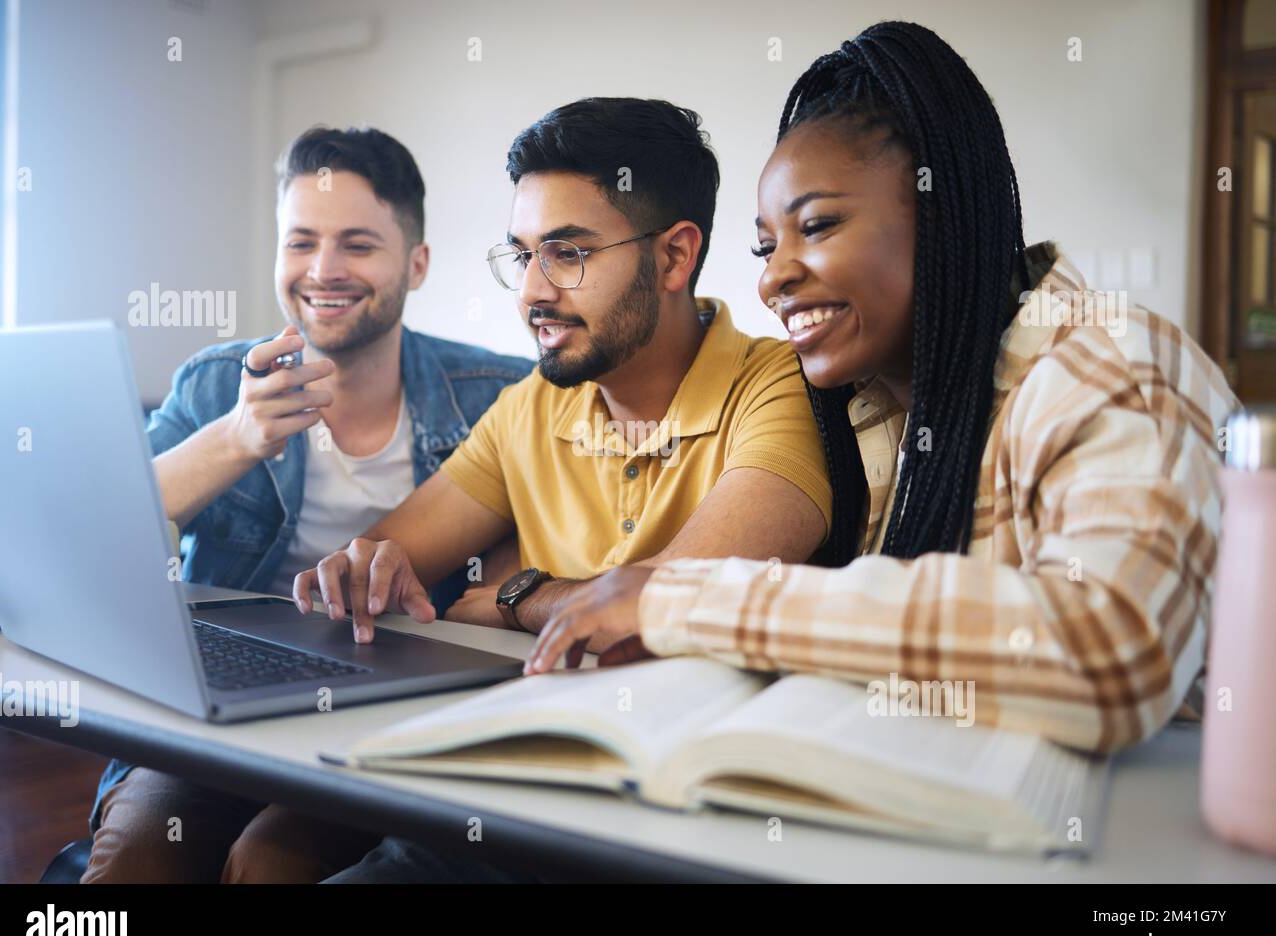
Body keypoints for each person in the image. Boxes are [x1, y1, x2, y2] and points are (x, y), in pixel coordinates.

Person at [528, 21, 1238, 760]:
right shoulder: (869, 412)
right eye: (767, 246)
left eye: (818, 225)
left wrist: (688, 601)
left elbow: (1107, 654)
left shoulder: (1113, 363)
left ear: (940, 211)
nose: (773, 277)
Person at [308, 96, 835, 882]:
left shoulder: (774, 387)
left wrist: (519, 597)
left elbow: (664, 604)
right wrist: (362, 569)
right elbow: (388, 554)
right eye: (523, 255)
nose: (531, 293)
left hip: (676, 824)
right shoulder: (532, 404)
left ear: (672, 258)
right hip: (508, 788)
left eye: (569, 253)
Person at [83, 126, 532, 883]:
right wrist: (236, 436)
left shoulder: (501, 396)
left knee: (268, 866)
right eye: (301, 242)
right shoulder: (214, 383)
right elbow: (102, 543)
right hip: (220, 710)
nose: (324, 270)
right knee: (135, 860)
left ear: (416, 265)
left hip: (395, 717)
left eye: (358, 244)